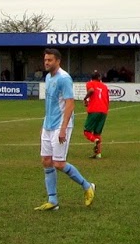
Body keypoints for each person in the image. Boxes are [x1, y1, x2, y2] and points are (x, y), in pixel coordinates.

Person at [36, 48, 95, 211]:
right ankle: (52, 200)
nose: (46, 62)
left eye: (50, 60)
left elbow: (70, 104)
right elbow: (50, 104)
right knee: (46, 161)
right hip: (48, 125)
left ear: (58, 61)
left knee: (59, 163)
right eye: (45, 60)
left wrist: (63, 129)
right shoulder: (48, 77)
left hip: (61, 125)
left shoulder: (64, 78)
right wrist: (44, 125)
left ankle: (87, 186)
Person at [82, 71, 110, 159]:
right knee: (97, 133)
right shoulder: (104, 86)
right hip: (104, 111)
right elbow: (107, 99)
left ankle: (95, 140)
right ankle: (98, 154)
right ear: (99, 78)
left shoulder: (90, 83)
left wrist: (85, 98)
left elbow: (91, 90)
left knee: (87, 132)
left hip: (94, 110)